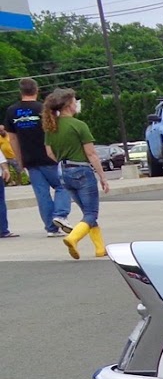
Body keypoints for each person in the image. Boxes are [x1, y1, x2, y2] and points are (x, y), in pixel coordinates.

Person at [41, 89, 110, 258]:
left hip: (63, 172)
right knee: (91, 212)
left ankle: (100, 248)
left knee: (87, 211)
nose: (76, 104)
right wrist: (103, 176)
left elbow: (49, 153)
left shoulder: (52, 127)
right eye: (74, 101)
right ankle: (73, 238)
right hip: (82, 170)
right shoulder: (79, 125)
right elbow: (91, 154)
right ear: (68, 105)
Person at [5, 78, 72, 236]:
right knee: (63, 186)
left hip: (29, 158)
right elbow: (54, 131)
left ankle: (51, 228)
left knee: (42, 194)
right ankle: (60, 214)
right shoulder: (43, 108)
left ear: (20, 91)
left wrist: (19, 160)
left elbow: (12, 138)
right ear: (37, 90)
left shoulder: (12, 111)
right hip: (48, 156)